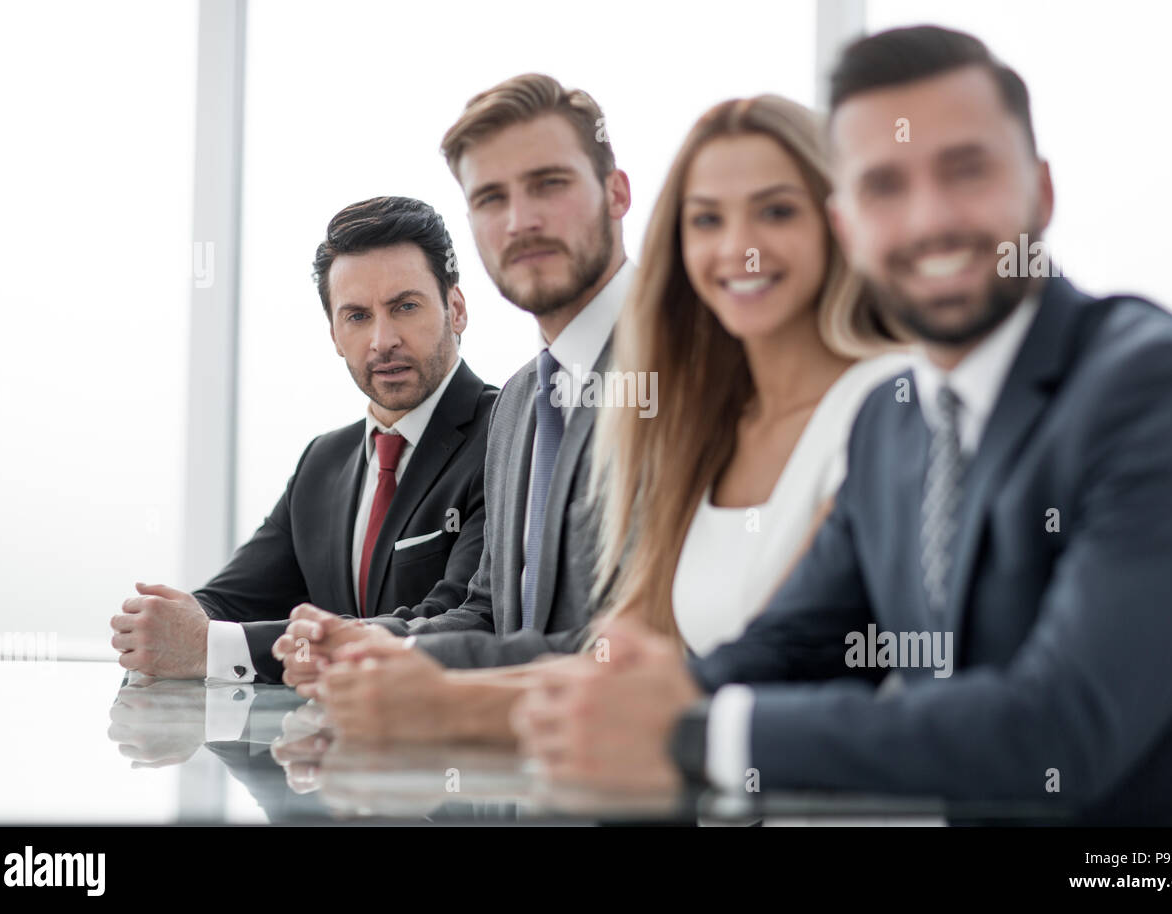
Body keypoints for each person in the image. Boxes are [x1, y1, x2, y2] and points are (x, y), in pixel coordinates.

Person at [511, 25, 1172, 826]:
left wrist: (702, 731)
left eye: (966, 171)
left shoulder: (1166, 392)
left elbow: (1059, 728)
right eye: (884, 187)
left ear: (1042, 190)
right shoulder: (891, 424)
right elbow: (796, 646)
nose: (929, 219)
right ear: (848, 226)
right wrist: (654, 688)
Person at [313, 94, 911, 742]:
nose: (741, 248)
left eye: (776, 210)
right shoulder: (525, 403)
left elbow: (753, 665)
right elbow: (634, 641)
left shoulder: (713, 388)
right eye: (706, 220)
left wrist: (450, 700)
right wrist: (393, 660)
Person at [273, 73, 635, 697]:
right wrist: (379, 646)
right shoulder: (521, 402)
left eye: (549, 183)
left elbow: (644, 640)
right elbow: (492, 614)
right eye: (491, 198)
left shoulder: (686, 368)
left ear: (616, 193)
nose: (520, 221)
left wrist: (416, 668)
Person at [110, 196, 496, 683]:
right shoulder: (323, 462)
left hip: (446, 748)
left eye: (405, 307)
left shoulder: (505, 433)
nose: (382, 339)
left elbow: (457, 619)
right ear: (334, 333)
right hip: (327, 749)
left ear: (455, 309)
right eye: (356, 316)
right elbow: (229, 600)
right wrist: (167, 627)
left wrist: (210, 647)